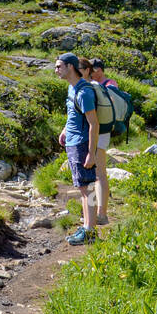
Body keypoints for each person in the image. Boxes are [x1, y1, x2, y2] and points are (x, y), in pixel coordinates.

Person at [54, 52, 100, 244]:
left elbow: (94, 124)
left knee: (88, 188)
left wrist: (90, 153)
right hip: (73, 141)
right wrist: (65, 130)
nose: (56, 70)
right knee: (83, 187)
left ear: (70, 67)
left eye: (59, 66)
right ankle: (87, 227)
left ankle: (90, 231)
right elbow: (73, 113)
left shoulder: (84, 92)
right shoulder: (72, 89)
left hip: (81, 144)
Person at [79, 58, 111, 226]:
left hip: (94, 134)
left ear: (86, 70)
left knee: (94, 176)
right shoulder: (96, 86)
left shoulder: (87, 88)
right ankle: (99, 213)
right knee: (100, 174)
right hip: (103, 133)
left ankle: (97, 216)